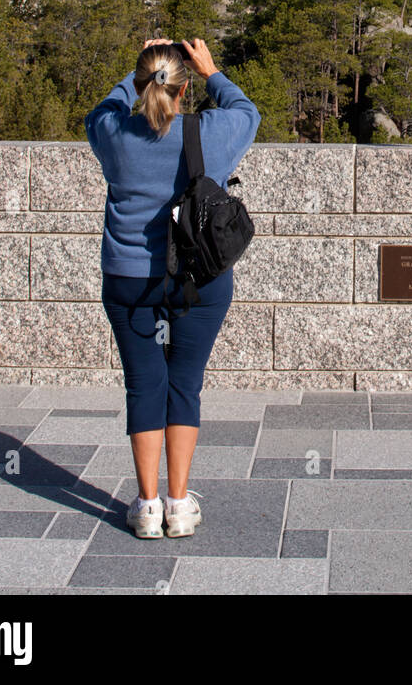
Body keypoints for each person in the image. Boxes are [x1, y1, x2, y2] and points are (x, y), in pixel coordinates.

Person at [85, 37, 260, 539]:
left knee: (143, 385)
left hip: (128, 279)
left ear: (141, 84)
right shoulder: (215, 132)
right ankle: (179, 504)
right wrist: (212, 70)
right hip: (199, 279)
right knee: (184, 384)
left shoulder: (114, 132)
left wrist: (136, 72)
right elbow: (247, 109)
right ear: (186, 86)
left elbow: (101, 110)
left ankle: (145, 505)